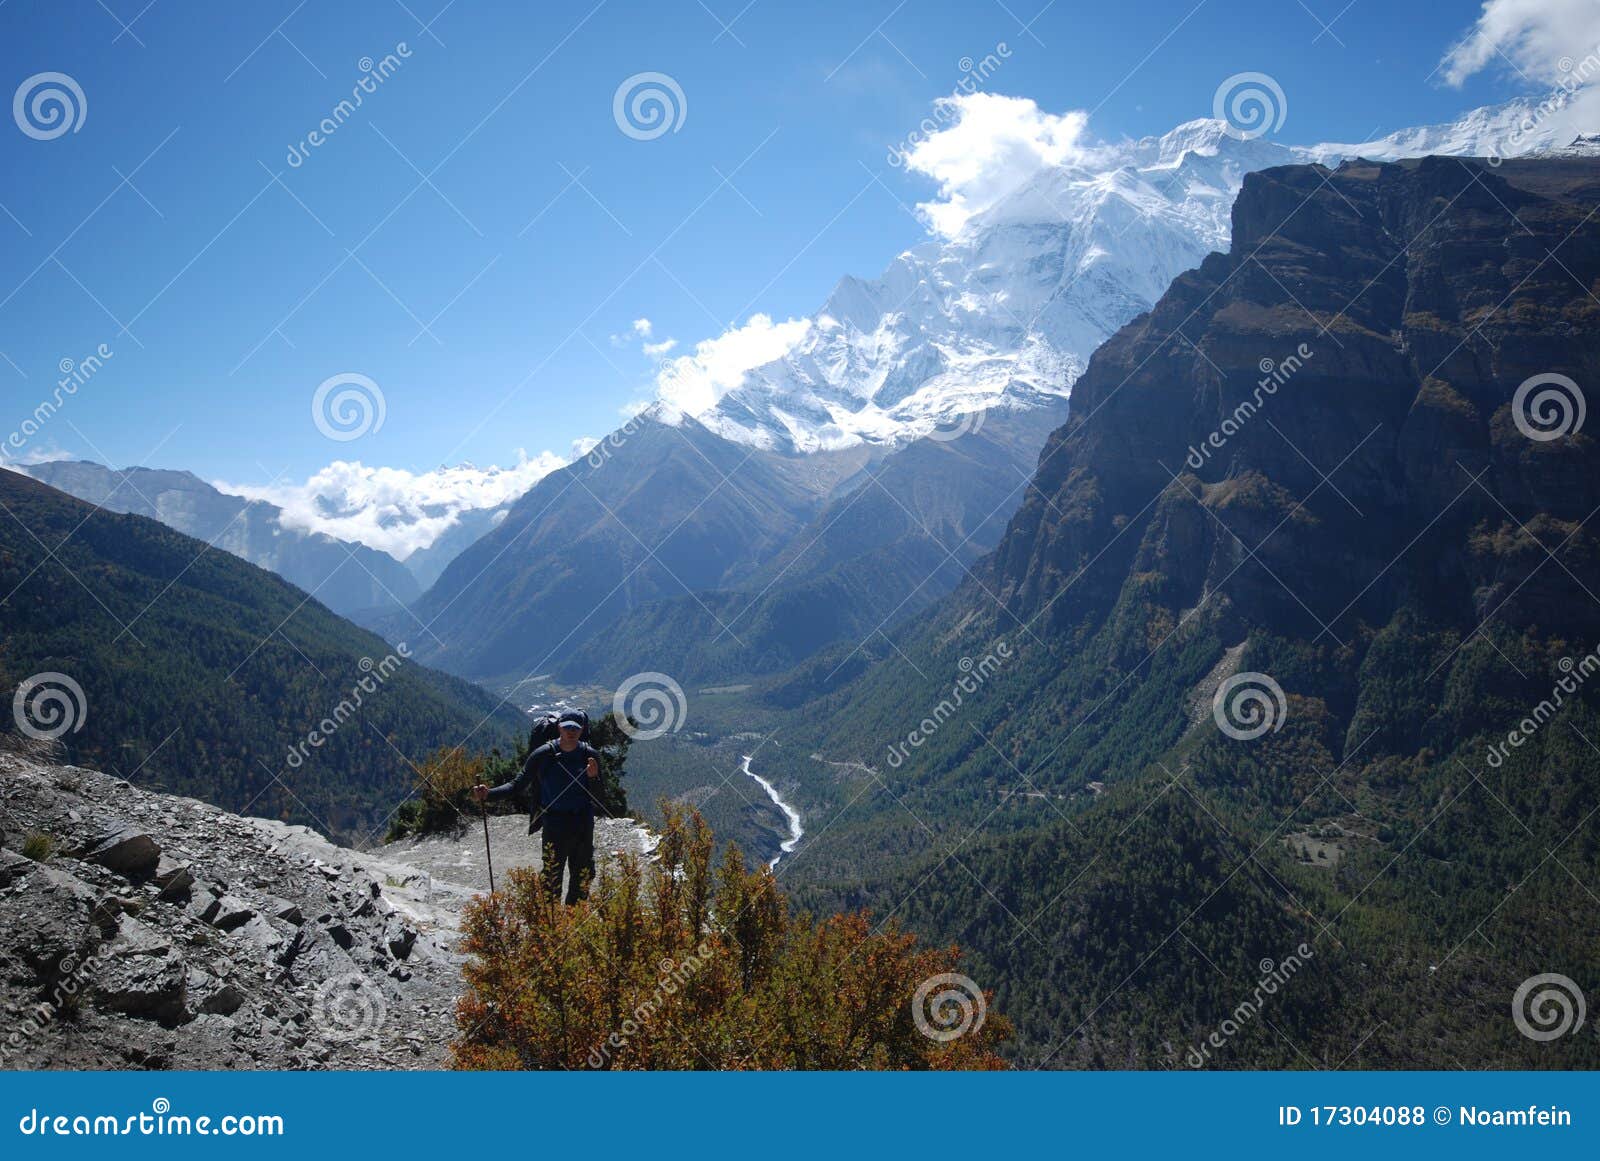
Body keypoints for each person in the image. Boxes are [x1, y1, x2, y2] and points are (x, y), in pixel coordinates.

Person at [472, 714, 602, 904]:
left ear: (582, 730)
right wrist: (489, 794)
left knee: (581, 878)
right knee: (551, 879)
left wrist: (593, 778)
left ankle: (573, 922)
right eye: (567, 727)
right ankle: (552, 925)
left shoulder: (590, 755)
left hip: (582, 824)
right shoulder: (543, 754)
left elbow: (599, 798)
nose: (571, 731)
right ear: (559, 728)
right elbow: (517, 785)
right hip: (556, 824)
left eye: (575, 728)